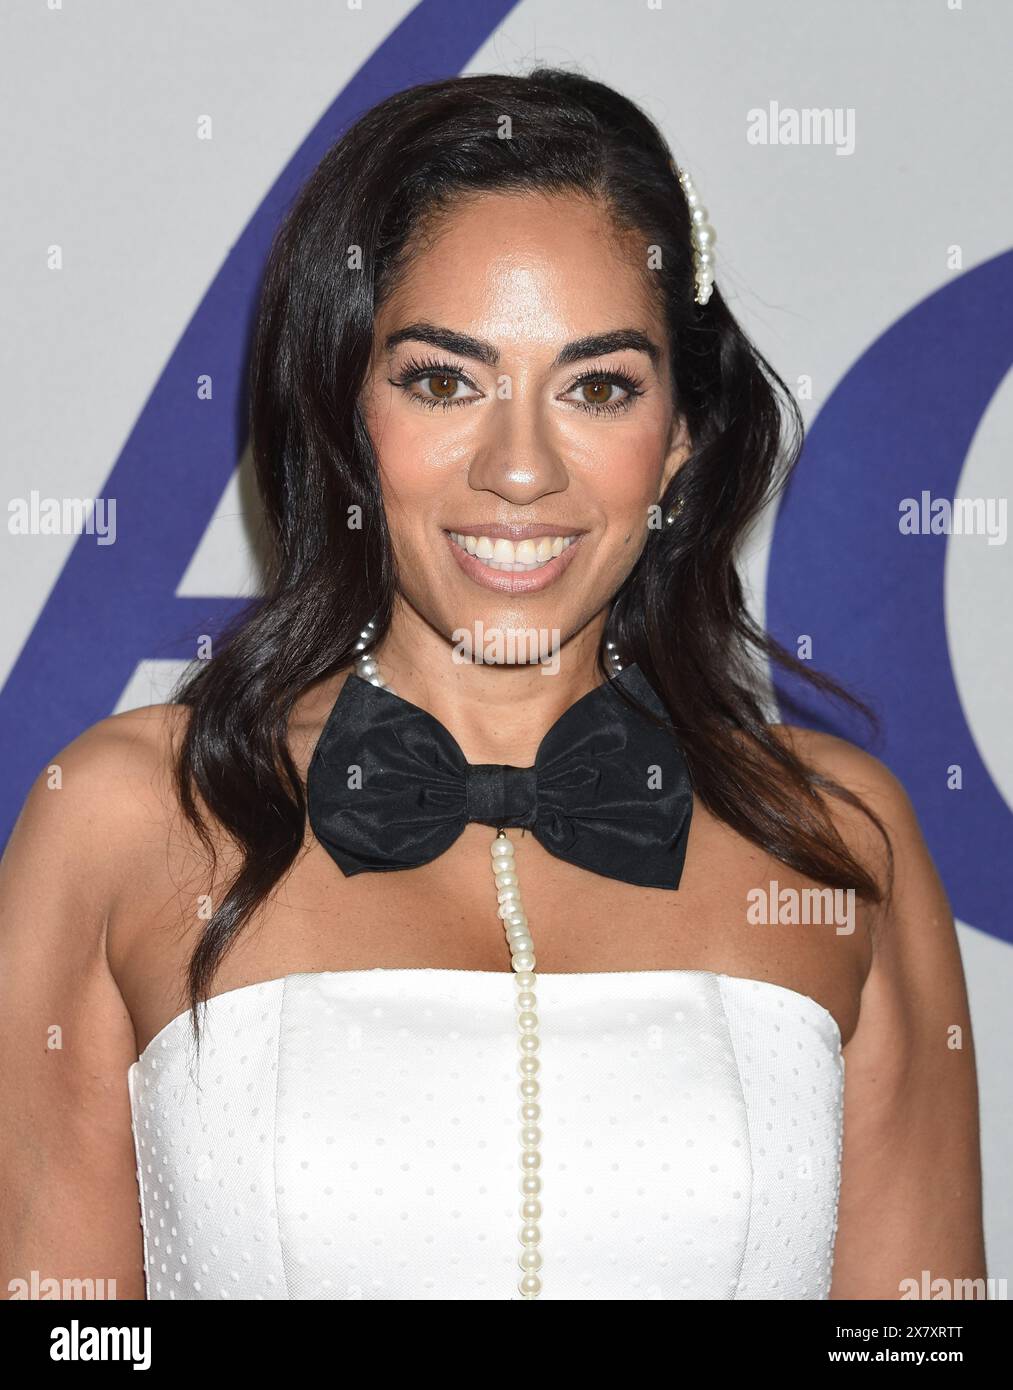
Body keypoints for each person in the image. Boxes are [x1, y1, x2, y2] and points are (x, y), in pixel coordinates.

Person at [0, 67, 985, 1301]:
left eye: (597, 386)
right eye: (441, 380)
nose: (518, 468)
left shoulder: (840, 839)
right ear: (347, 414)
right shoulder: (122, 813)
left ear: (677, 437)